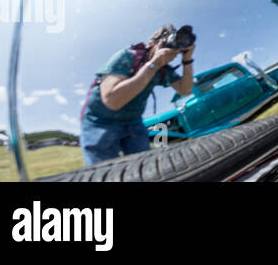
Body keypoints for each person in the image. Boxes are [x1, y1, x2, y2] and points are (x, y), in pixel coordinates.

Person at [80, 25, 195, 164]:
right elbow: (111, 100)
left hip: (133, 121)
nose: (173, 53)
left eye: (177, 50)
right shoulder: (128, 56)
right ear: (154, 43)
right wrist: (154, 63)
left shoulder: (163, 70)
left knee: (145, 167)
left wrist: (187, 60)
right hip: (100, 121)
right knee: (103, 171)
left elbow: (185, 90)